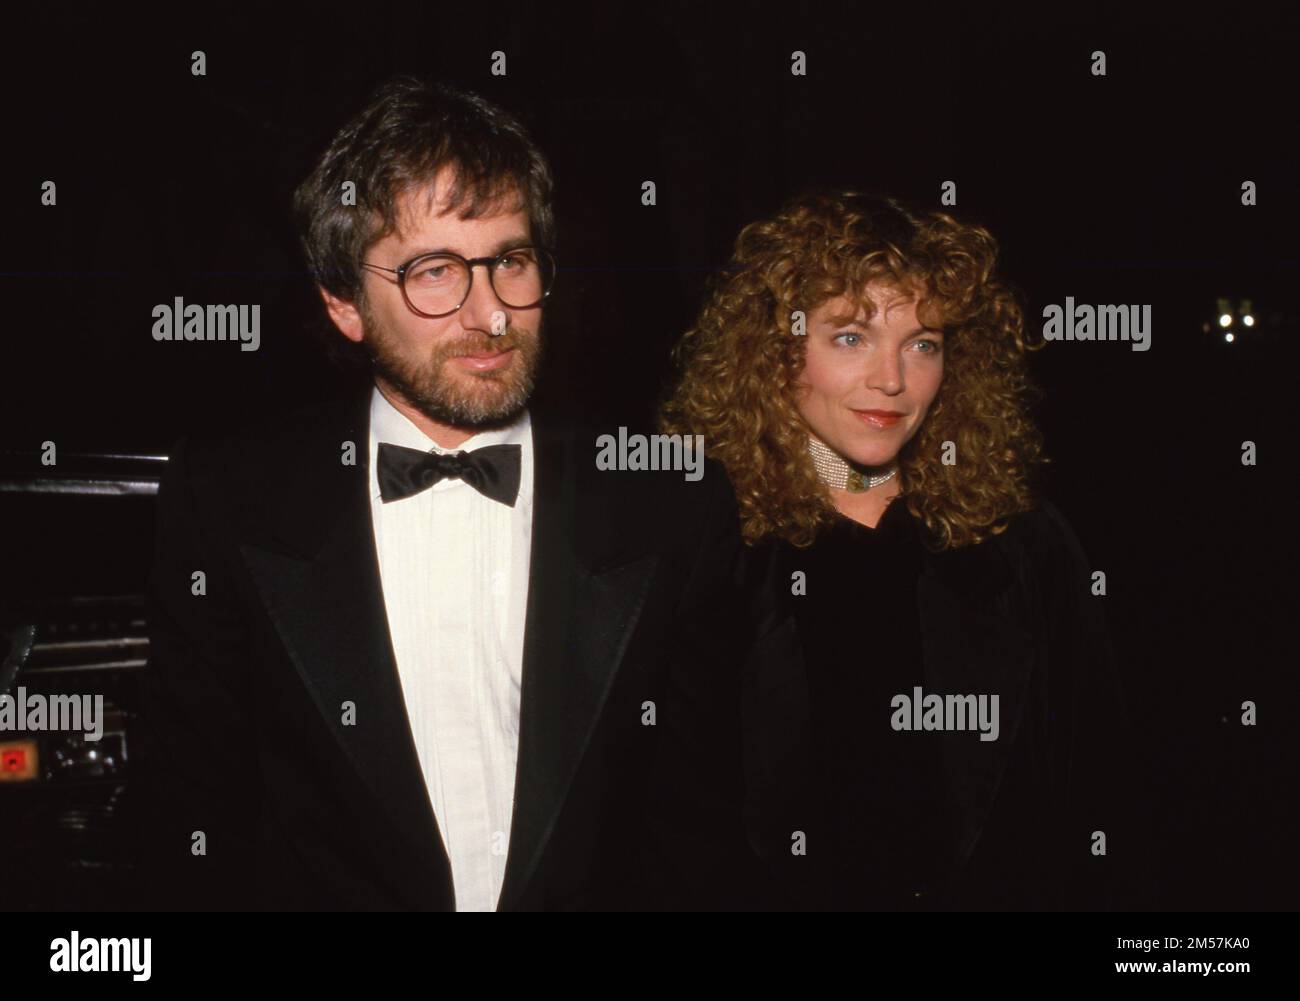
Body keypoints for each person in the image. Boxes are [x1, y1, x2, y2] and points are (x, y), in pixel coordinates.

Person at [140, 75, 757, 911]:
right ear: (345, 305)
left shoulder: (669, 499)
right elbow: (190, 824)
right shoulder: (227, 499)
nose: (490, 313)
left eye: (510, 260)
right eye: (434, 271)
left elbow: (700, 836)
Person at [660, 190, 1147, 910]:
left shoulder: (1024, 544)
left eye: (923, 343)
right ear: (773, 349)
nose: (892, 379)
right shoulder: (708, 549)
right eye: (850, 337)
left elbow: (1101, 807)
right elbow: (667, 838)